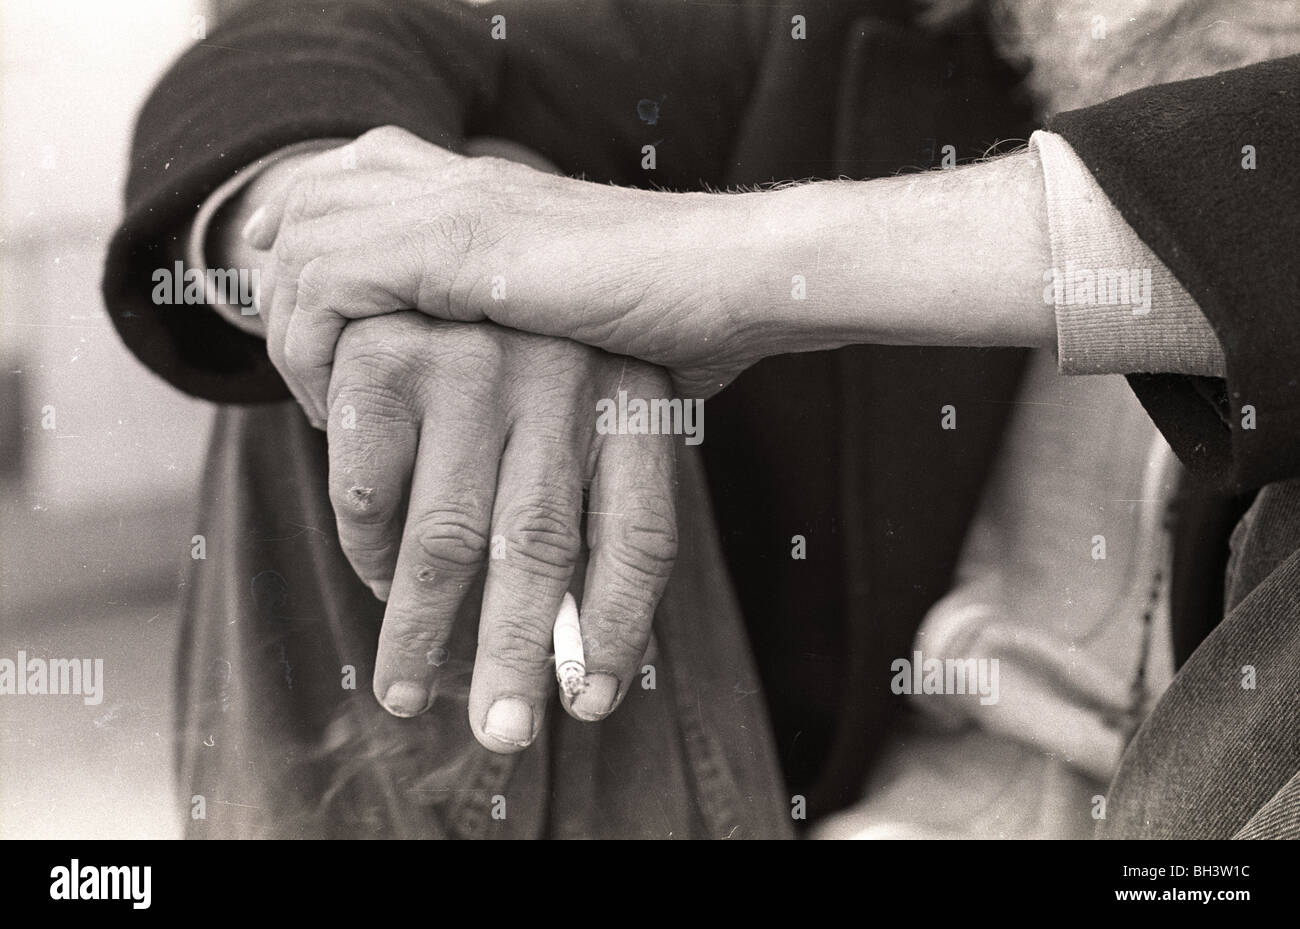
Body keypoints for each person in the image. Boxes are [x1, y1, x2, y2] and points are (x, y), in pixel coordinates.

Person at [104, 0, 1300, 838]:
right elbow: (316, 41)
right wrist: (349, 242)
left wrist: (715, 264)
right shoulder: (880, 33)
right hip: (817, 803)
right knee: (378, 340)